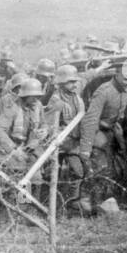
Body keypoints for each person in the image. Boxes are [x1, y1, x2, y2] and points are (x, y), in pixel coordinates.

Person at [77, 69, 127, 213]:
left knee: (113, 169)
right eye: (125, 78)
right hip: (99, 131)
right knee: (99, 169)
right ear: (117, 74)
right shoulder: (104, 91)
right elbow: (91, 119)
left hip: (112, 131)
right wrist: (86, 148)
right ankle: (88, 204)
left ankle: (102, 203)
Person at [44, 64, 86, 206]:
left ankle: (72, 202)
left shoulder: (77, 98)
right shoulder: (56, 100)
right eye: (70, 82)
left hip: (72, 143)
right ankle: (47, 201)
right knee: (51, 173)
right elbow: (48, 123)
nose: (74, 85)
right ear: (61, 83)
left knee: (78, 171)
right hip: (58, 142)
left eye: (75, 82)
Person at [0, 77, 47, 185]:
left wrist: (44, 131)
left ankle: (30, 201)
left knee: (36, 180)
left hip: (30, 149)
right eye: (33, 96)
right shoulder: (12, 107)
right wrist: (13, 149)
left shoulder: (38, 106)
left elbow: (43, 123)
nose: (36, 99)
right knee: (19, 180)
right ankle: (19, 201)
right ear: (25, 95)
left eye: (38, 96)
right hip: (12, 149)